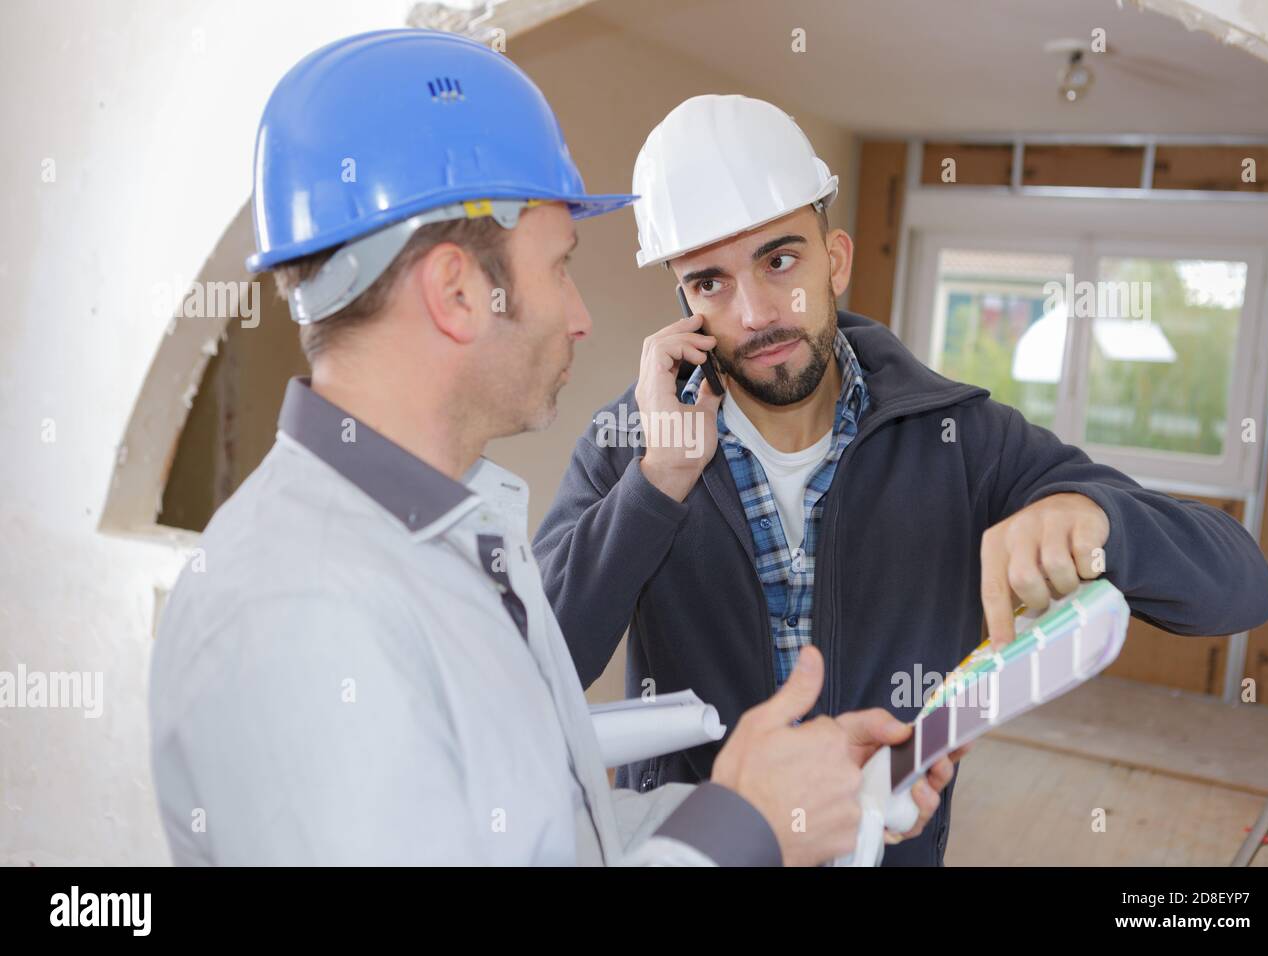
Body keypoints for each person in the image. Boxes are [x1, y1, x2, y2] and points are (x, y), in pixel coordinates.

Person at [148, 32, 945, 866]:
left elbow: (552, 840)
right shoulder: (295, 614)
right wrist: (742, 828)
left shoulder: (449, 538)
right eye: (560, 267)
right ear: (459, 292)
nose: (581, 317)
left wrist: (774, 800)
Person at [533, 94, 1268, 866]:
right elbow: (534, 667)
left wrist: (1097, 519)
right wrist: (657, 484)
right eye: (710, 282)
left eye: (779, 260)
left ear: (838, 260)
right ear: (684, 303)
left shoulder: (962, 441)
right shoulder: (633, 448)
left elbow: (1242, 585)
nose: (754, 312)